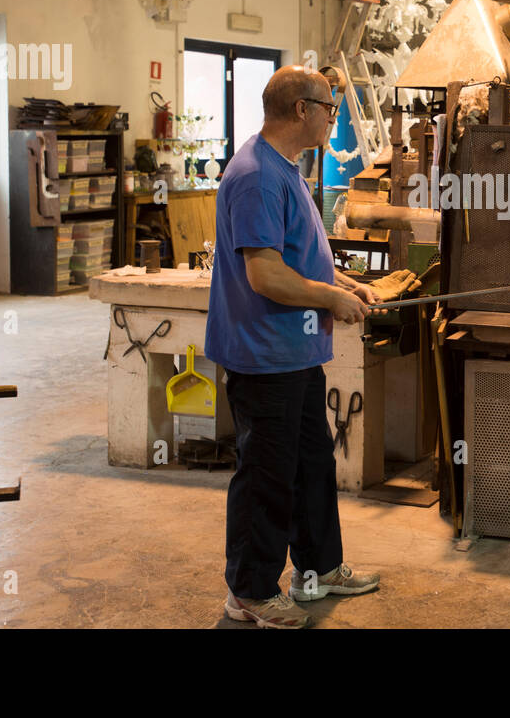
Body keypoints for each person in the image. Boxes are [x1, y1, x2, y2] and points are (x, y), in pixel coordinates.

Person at [205, 64, 380, 629]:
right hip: (264, 355)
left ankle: (318, 569)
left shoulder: (285, 168)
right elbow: (266, 276)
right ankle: (250, 592)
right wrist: (330, 299)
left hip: (296, 351)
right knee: (267, 477)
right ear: (301, 109)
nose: (333, 117)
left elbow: (296, 256)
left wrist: (343, 284)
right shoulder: (257, 175)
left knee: (310, 465)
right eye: (329, 107)